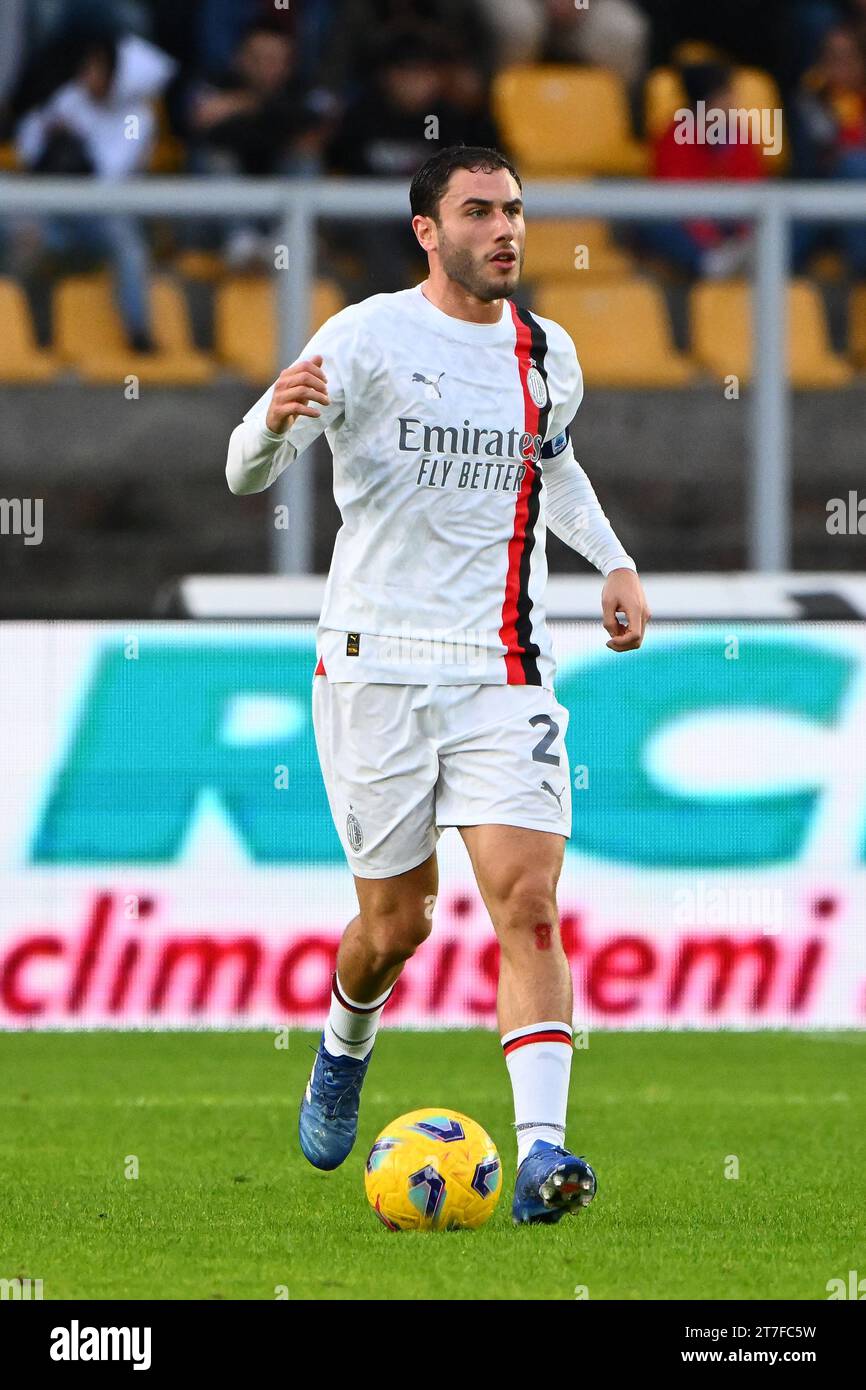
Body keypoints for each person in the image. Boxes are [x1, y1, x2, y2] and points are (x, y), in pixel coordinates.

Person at [225, 145, 650, 1225]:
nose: (504, 228)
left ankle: (544, 1153)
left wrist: (608, 560)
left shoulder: (546, 352)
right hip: (374, 665)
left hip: (503, 662)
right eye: (478, 211)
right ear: (428, 230)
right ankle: (343, 1043)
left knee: (529, 906)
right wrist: (269, 420)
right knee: (395, 924)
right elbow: (245, 470)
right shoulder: (365, 337)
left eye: (513, 208)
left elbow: (550, 463)